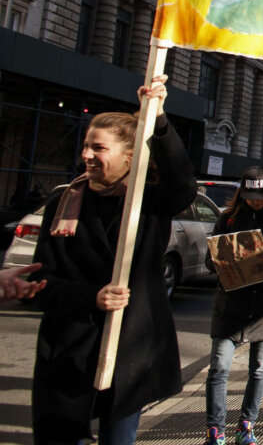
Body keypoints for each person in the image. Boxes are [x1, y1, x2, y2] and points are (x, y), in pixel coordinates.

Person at [30, 74, 196, 445]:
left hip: (129, 358)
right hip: (68, 358)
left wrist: (158, 118)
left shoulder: (148, 202)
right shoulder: (63, 203)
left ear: (130, 157)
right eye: (87, 146)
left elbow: (183, 184)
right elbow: (39, 286)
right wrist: (92, 297)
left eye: (99, 149)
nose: (86, 155)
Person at [203, 166, 263, 445]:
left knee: (259, 367)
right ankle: (215, 428)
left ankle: (247, 424)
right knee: (219, 366)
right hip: (231, 302)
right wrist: (224, 257)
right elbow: (210, 261)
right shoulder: (228, 219)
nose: (255, 201)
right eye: (250, 196)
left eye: (260, 196)